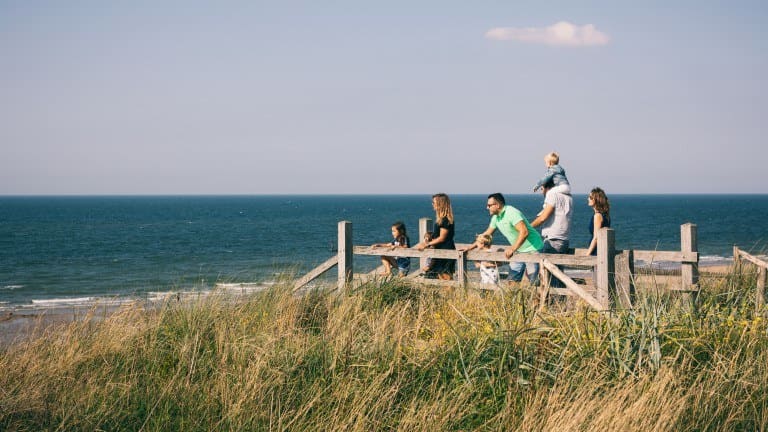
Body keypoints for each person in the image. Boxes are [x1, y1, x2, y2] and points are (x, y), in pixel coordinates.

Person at [463, 193, 543, 284]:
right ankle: (516, 298)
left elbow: (524, 232)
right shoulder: (496, 218)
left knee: (534, 284)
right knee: (512, 281)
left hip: (532, 249)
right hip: (518, 250)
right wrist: (469, 248)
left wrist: (512, 248)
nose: (487, 208)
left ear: (497, 205)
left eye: (489, 205)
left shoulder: (511, 213)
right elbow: (485, 235)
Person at [530, 180, 573, 287]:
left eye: (542, 188)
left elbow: (543, 217)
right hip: (563, 239)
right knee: (558, 274)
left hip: (553, 239)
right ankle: (560, 301)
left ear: (547, 188)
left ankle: (552, 302)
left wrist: (528, 228)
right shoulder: (568, 197)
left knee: (547, 275)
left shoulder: (552, 195)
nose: (541, 192)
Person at [416, 193, 456, 280]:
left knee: (446, 278)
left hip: (446, 252)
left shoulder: (446, 220)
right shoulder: (440, 220)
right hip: (440, 252)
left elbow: (442, 238)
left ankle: (450, 294)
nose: (432, 204)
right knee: (438, 277)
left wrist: (426, 245)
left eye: (434, 202)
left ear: (440, 204)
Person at [586, 187, 611, 256]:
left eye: (590, 197)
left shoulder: (598, 216)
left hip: (597, 251)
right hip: (602, 249)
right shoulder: (605, 215)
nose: (588, 199)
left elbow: (596, 237)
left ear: (596, 200)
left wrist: (587, 254)